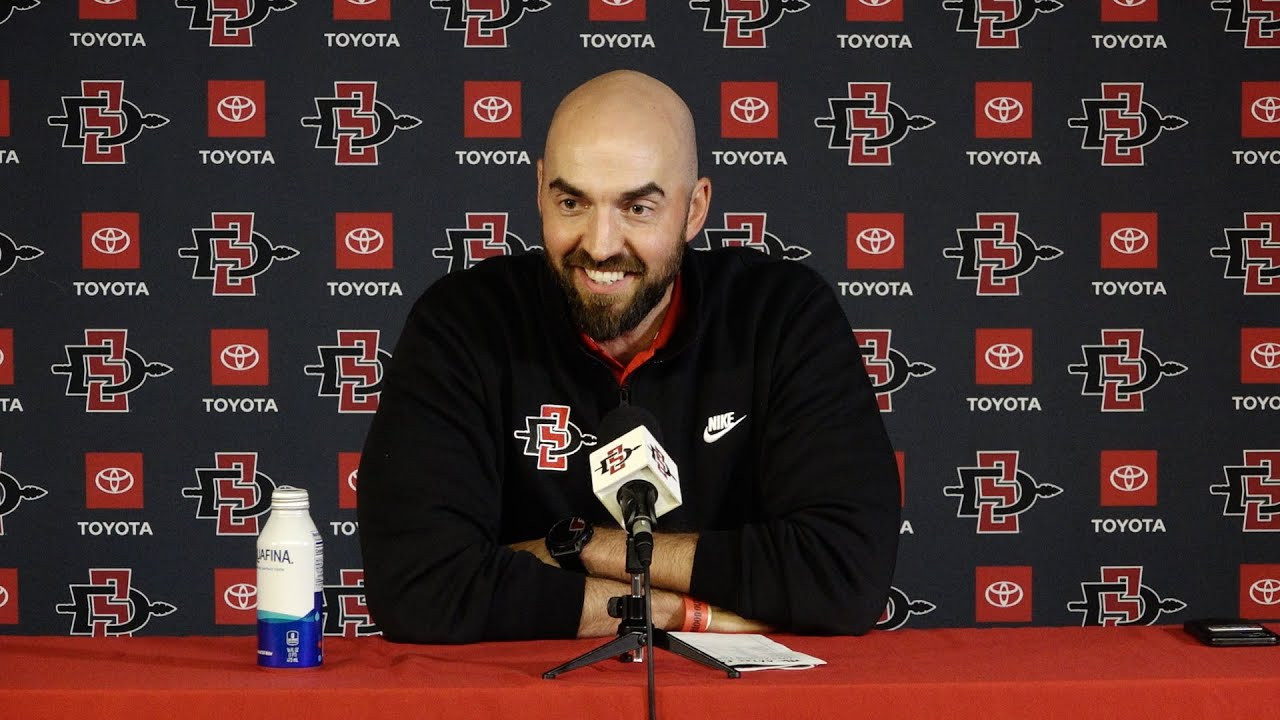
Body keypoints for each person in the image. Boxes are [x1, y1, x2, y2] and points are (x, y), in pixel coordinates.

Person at [357, 70, 900, 643]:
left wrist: (578, 546)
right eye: (572, 202)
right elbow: (416, 587)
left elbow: (843, 575)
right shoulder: (462, 323)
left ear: (694, 209)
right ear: (540, 190)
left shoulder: (781, 316)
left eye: (637, 208)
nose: (600, 244)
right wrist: (672, 612)